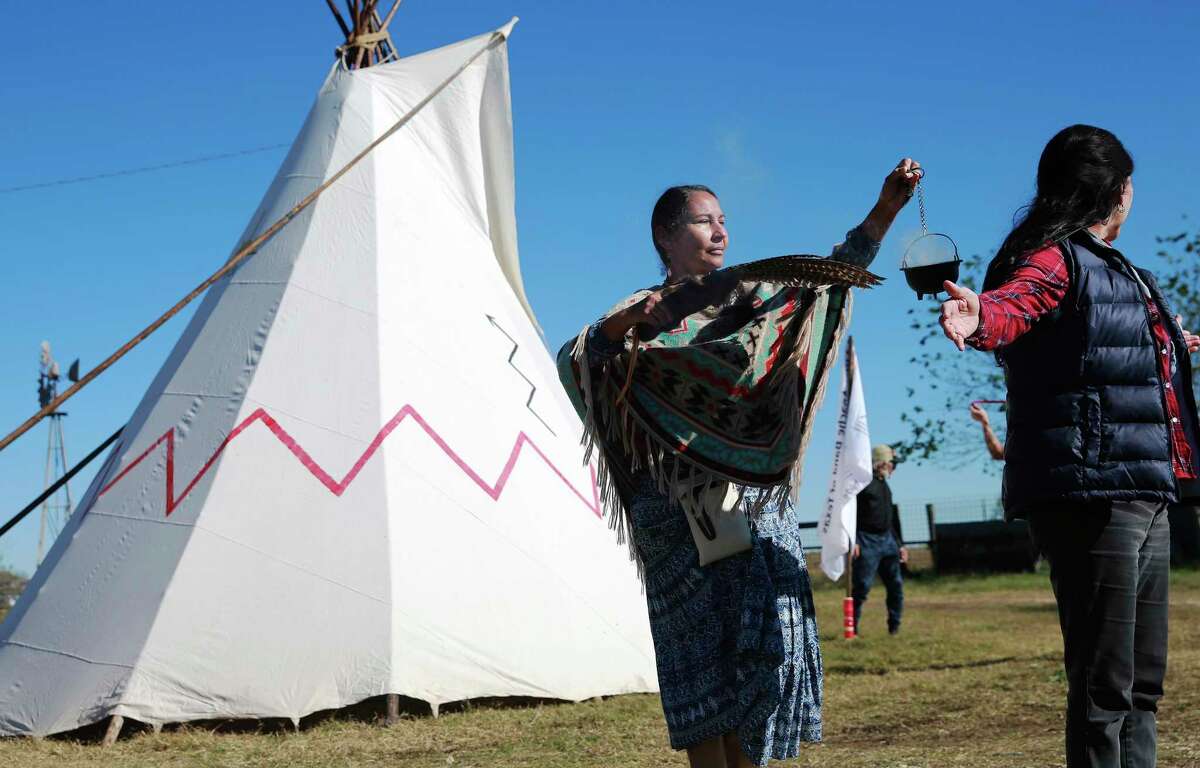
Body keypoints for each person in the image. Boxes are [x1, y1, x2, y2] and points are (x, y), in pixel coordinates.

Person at [558, 160, 921, 768]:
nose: (720, 232)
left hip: (753, 505)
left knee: (766, 656)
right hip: (672, 514)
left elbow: (829, 278)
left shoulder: (757, 297)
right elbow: (581, 360)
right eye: (703, 222)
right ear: (665, 239)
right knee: (698, 659)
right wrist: (625, 326)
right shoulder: (638, 314)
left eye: (724, 220)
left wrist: (886, 209)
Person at [938, 124, 1200, 768]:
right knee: (1104, 681)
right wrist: (980, 318)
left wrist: (1167, 338)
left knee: (1142, 682)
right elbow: (1014, 306)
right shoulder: (1056, 258)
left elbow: (1099, 344)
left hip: (1144, 489)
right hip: (1090, 489)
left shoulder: (1126, 274)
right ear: (1116, 190)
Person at [851, 444, 907, 635]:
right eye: (893, 464)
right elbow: (851, 514)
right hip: (866, 541)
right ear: (882, 463)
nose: (894, 468)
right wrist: (854, 540)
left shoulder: (885, 485)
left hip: (888, 541)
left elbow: (889, 519)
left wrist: (900, 545)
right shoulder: (862, 484)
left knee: (896, 585)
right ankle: (852, 629)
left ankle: (894, 627)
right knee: (862, 586)